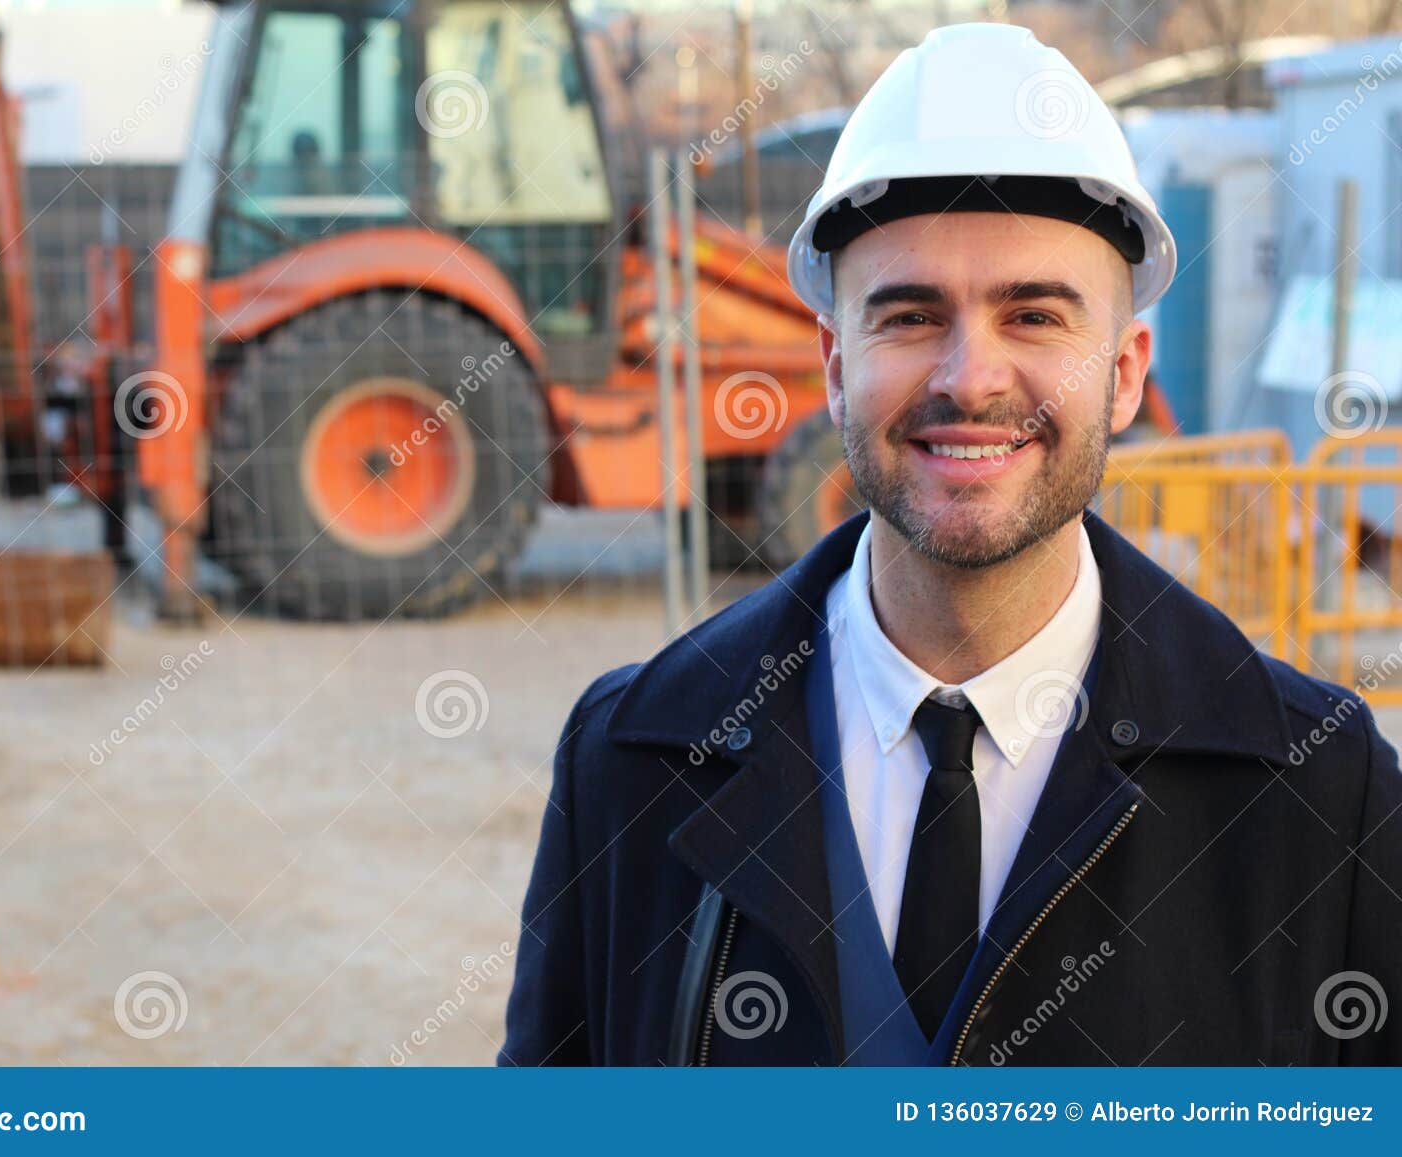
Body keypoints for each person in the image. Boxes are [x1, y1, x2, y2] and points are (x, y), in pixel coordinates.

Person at [498, 22, 1402, 1066]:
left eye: (1033, 316)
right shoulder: (635, 760)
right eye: (912, 315)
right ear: (835, 366)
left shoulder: (1315, 790)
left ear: (1121, 372)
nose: (969, 378)